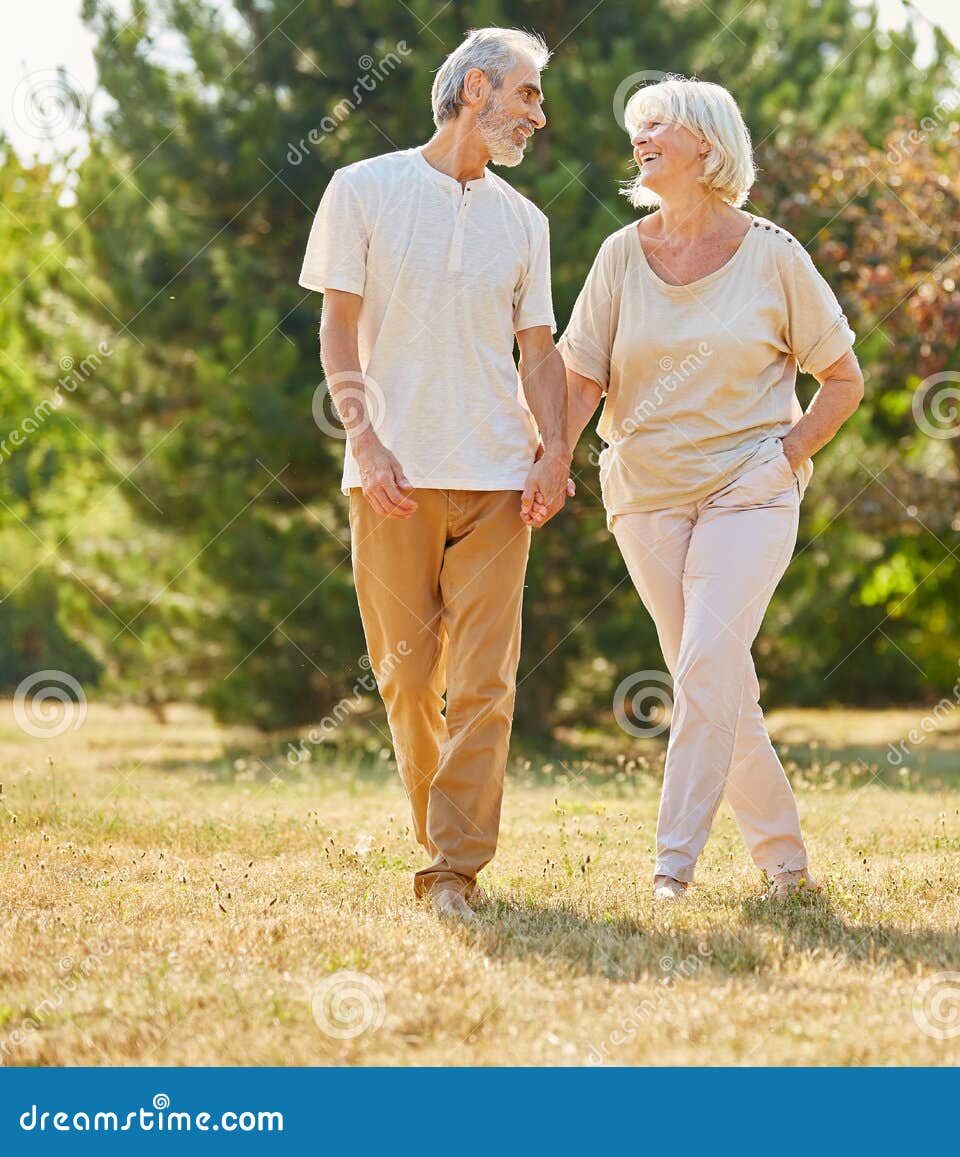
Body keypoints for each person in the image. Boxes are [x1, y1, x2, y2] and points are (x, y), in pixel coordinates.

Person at [556, 76, 865, 902]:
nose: (641, 136)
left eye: (659, 124)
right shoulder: (622, 254)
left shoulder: (773, 251)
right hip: (646, 495)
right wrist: (551, 457)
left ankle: (671, 869)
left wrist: (786, 455)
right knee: (719, 681)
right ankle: (787, 869)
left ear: (708, 144)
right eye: (636, 126)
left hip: (749, 493)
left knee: (702, 666)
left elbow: (843, 378)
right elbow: (581, 379)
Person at [298, 28, 573, 921]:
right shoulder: (363, 190)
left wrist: (557, 448)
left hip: (498, 476)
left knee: (486, 680)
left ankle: (455, 866)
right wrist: (366, 440)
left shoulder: (524, 221)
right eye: (528, 95)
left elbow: (539, 351)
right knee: (409, 679)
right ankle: (439, 829)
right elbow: (338, 331)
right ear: (479, 90)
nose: (539, 114)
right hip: (392, 478)